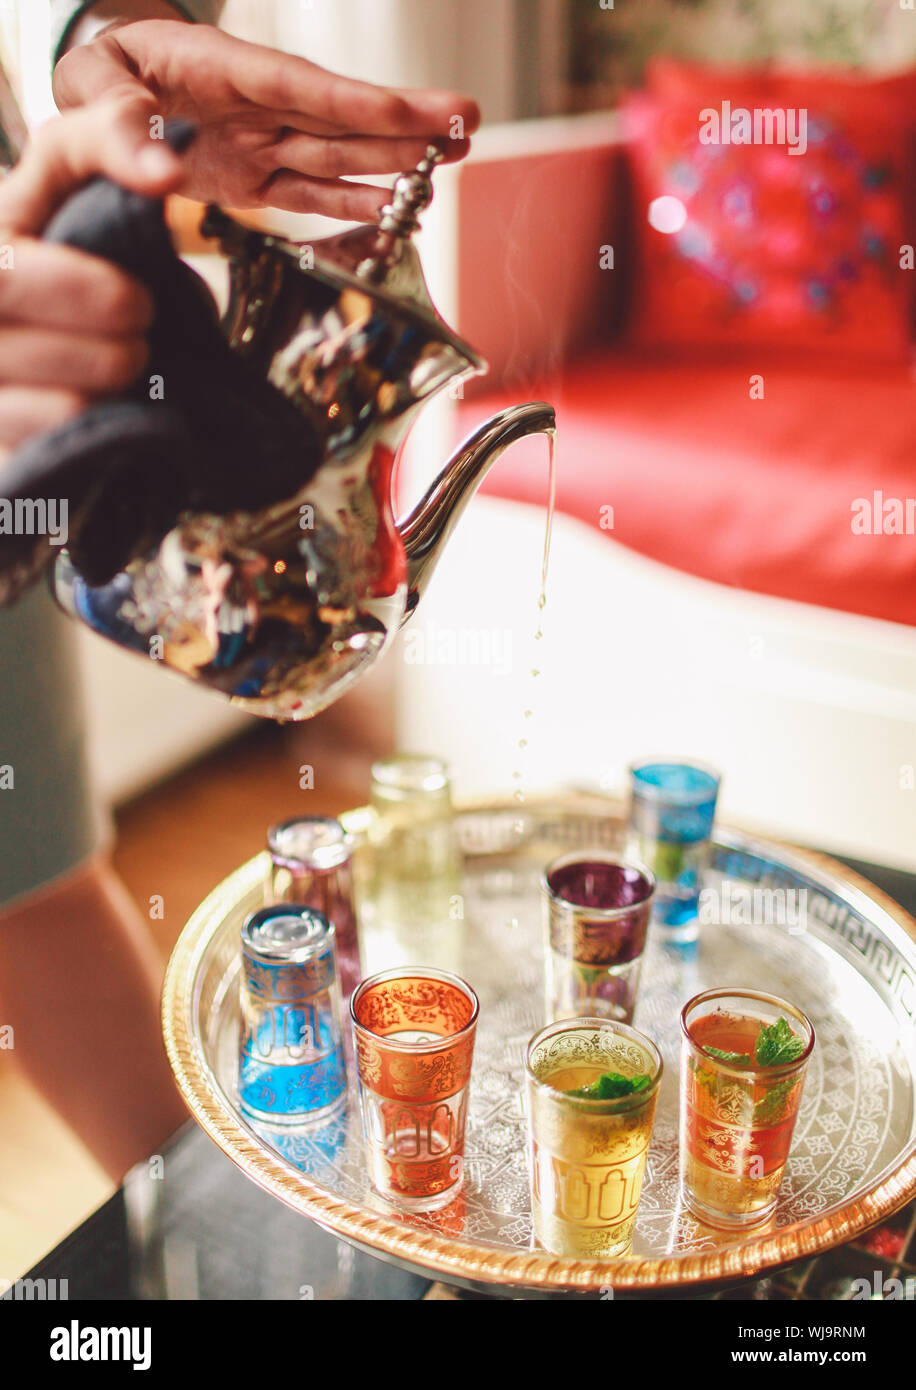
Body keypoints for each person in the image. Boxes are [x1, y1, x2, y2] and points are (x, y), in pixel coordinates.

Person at [0, 0, 478, 1181]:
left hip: (27, 349)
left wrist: (105, 34)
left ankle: (220, 1233)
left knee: (33, 868)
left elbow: (31, 887)